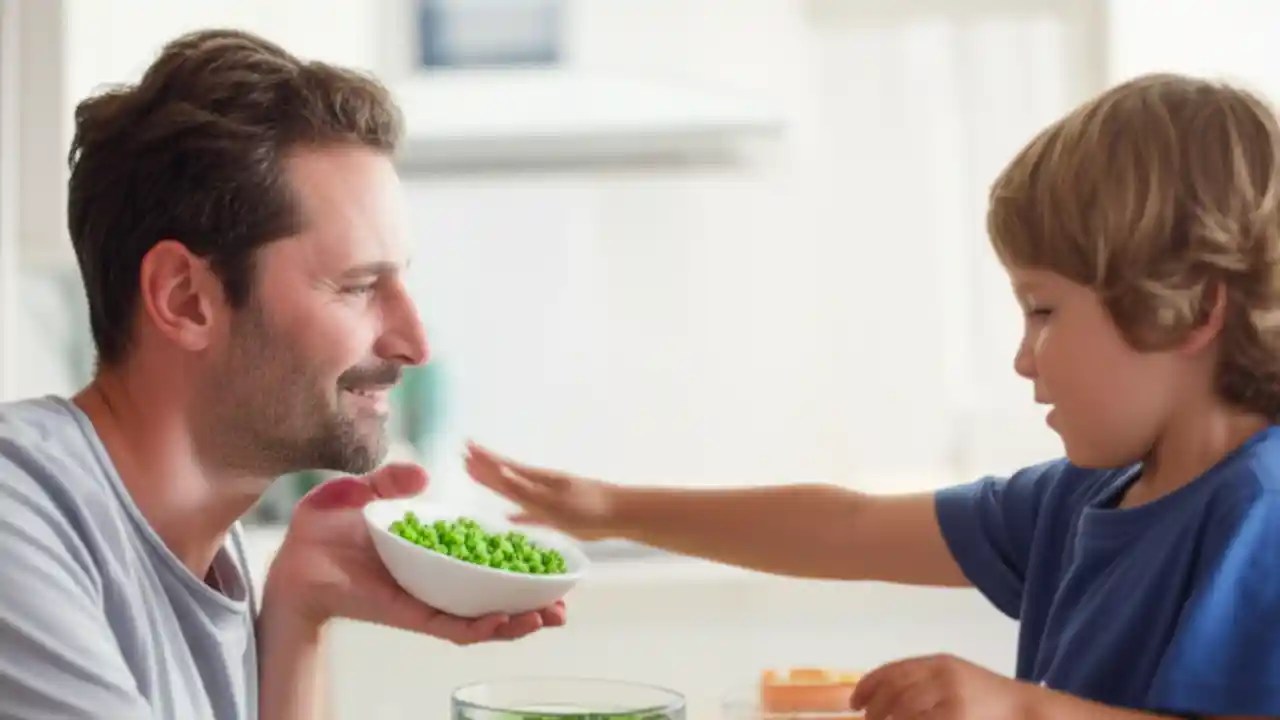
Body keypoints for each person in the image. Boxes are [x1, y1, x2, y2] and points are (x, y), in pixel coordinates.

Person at [466, 73, 1280, 720]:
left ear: (1194, 310)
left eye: (1043, 311)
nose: (1024, 360)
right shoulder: (1076, 501)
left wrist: (1021, 711)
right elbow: (844, 527)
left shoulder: (1262, 517)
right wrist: (610, 508)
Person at [0, 29, 565, 720]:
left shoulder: (207, 551)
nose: (415, 342)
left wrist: (299, 615)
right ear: (185, 299)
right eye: (359, 286)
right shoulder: (19, 519)